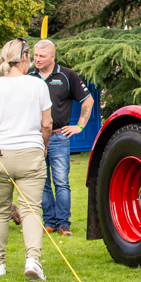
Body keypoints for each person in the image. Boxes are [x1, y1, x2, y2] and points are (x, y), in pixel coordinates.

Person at [0, 38, 53, 281]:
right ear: (24, 57)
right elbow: (47, 124)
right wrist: (43, 147)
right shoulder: (38, 85)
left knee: (0, 211)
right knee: (31, 209)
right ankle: (33, 260)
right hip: (30, 154)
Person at [28, 39, 93, 236]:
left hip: (58, 137)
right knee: (42, 181)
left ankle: (64, 224)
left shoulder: (67, 75)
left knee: (61, 181)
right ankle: (49, 222)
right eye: (35, 55)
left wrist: (79, 126)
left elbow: (87, 100)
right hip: (34, 137)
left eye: (42, 56)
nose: (37, 59)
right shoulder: (29, 75)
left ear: (52, 57)